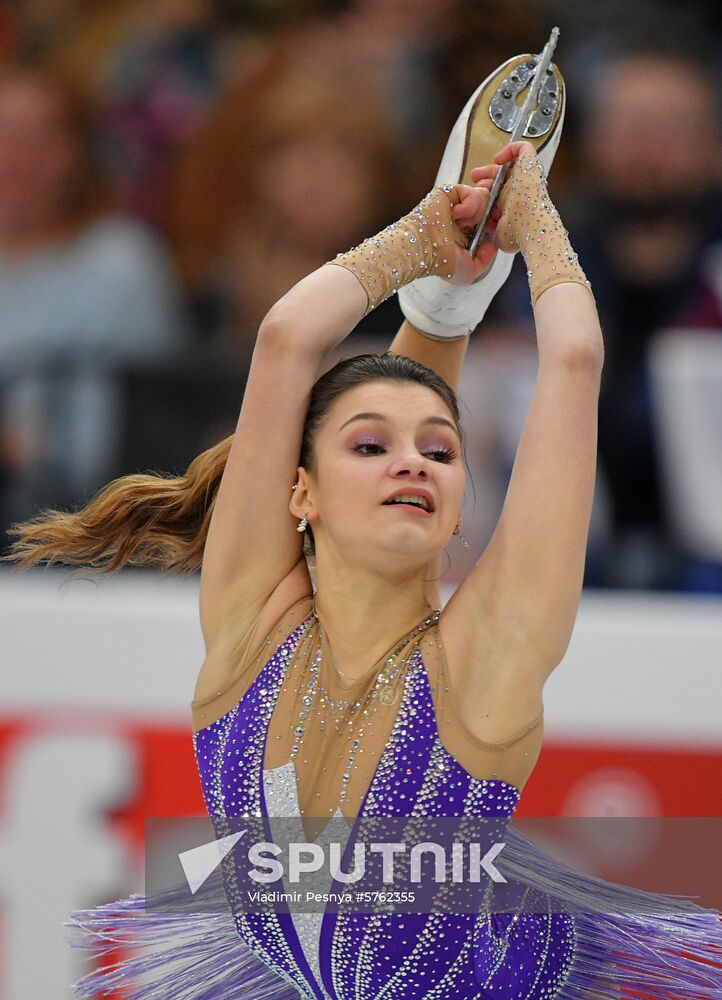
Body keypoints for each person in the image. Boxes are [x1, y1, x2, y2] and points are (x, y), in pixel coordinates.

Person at [4, 53, 722, 1000]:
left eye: (440, 452)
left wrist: (529, 223)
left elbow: (576, 360)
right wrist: (430, 245)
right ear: (299, 492)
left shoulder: (483, 665)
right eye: (371, 448)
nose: (415, 463)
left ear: (463, 502)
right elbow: (286, 342)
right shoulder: (253, 626)